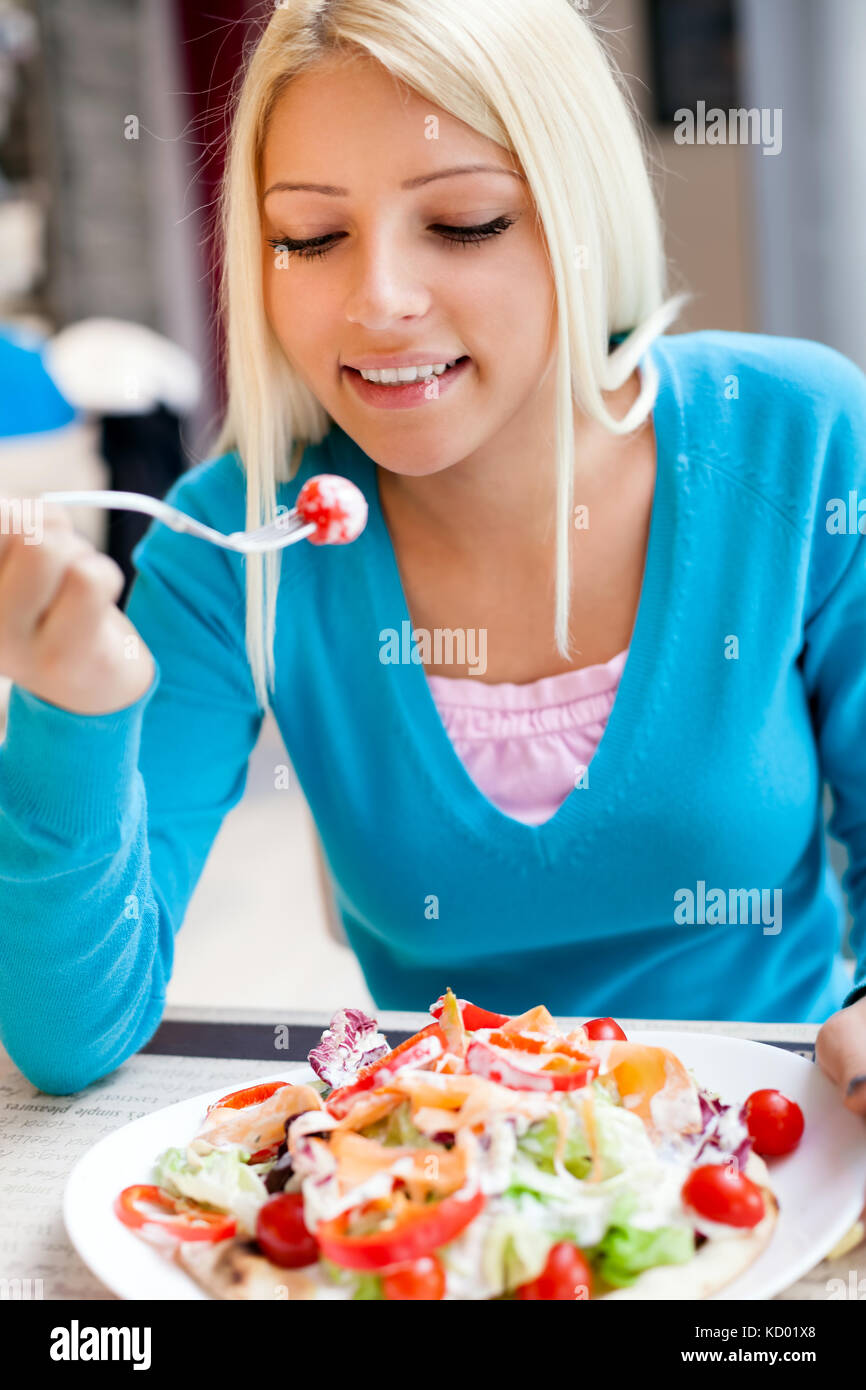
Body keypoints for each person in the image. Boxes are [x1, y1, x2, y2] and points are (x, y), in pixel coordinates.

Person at [0, 0, 864, 1113]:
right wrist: (71, 712)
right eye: (309, 238)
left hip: (775, 1167)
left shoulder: (797, 436)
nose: (378, 304)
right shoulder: (232, 548)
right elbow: (71, 1041)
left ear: (581, 216)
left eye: (461, 222)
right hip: (447, 1201)